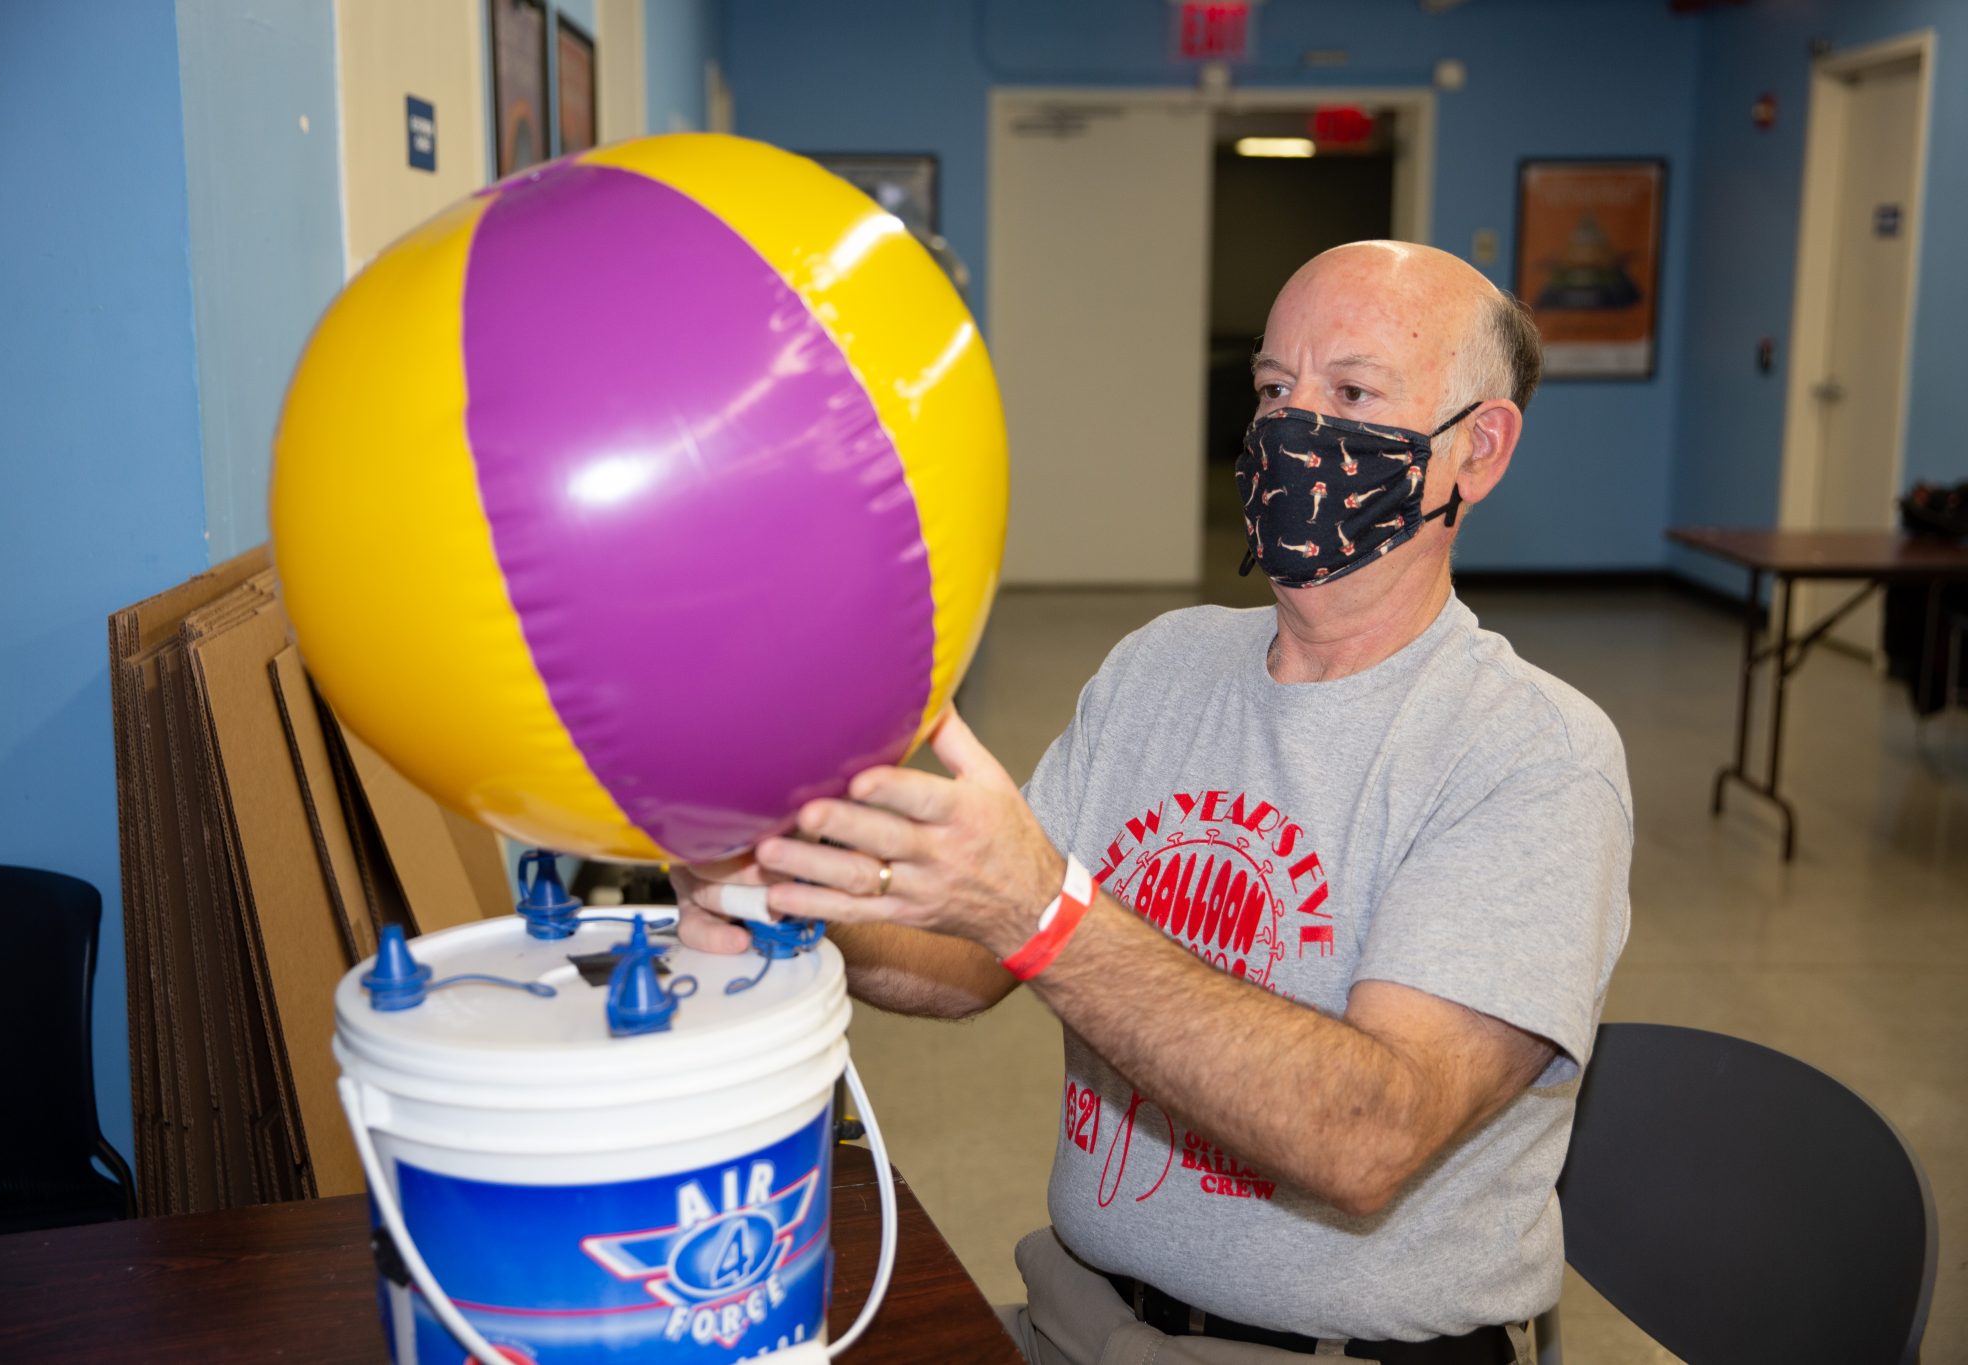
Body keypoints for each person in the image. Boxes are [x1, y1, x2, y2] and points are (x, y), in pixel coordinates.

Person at [672, 241, 1632, 1365]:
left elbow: (1368, 1137)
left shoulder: (1531, 754)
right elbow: (968, 961)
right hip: (1078, 1316)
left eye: (1352, 393)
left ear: (1476, 449)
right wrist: (781, 881)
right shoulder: (1160, 667)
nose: (1292, 430)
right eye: (1273, 389)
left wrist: (1042, 913)